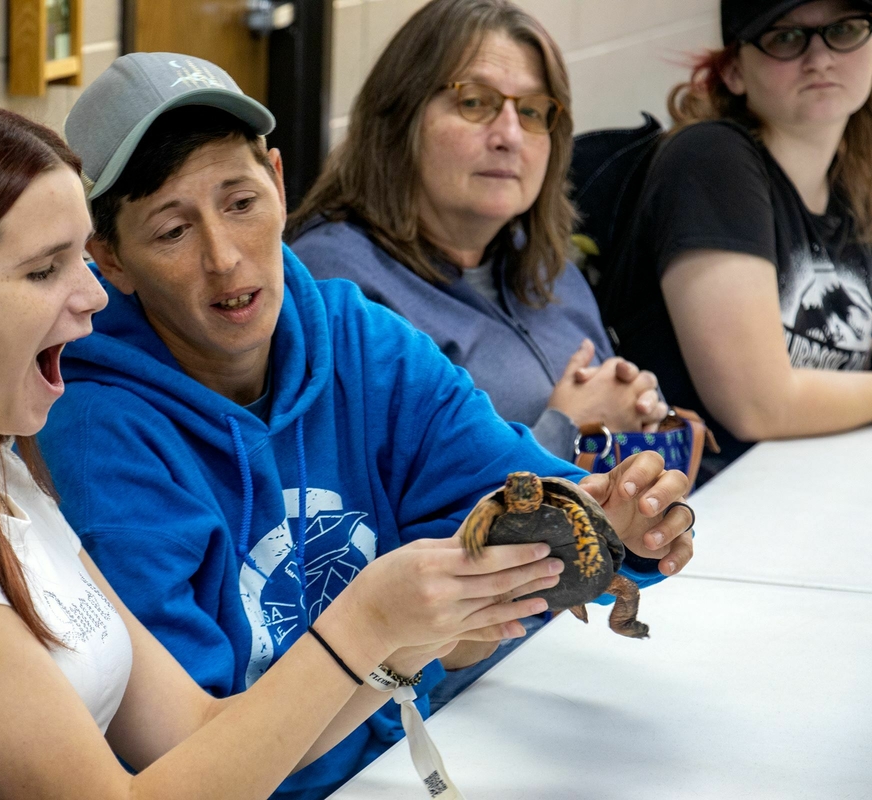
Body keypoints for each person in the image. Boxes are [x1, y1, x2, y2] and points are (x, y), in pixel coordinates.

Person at [0, 96, 574, 799]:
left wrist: (412, 638)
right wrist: (369, 617)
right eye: (44, 270)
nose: (94, 297)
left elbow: (199, 740)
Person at [39, 52, 695, 800]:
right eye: (171, 231)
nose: (224, 259)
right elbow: (201, 758)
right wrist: (416, 658)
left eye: (240, 202)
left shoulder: (360, 341)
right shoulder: (98, 436)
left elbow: (516, 506)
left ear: (281, 183)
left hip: (422, 758)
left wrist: (618, 524)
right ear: (108, 259)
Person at [287, 0, 668, 466]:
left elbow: (610, 413)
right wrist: (568, 434)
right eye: (474, 102)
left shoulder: (545, 262)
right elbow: (370, 515)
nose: (508, 134)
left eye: (531, 111)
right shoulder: (335, 283)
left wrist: (640, 408)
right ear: (399, 120)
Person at [601, 0, 872, 479]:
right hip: (701, 510)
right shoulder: (711, 159)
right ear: (732, 72)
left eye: (844, 30)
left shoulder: (852, 180)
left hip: (814, 478)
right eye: (785, 37)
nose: (821, 58)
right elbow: (757, 406)